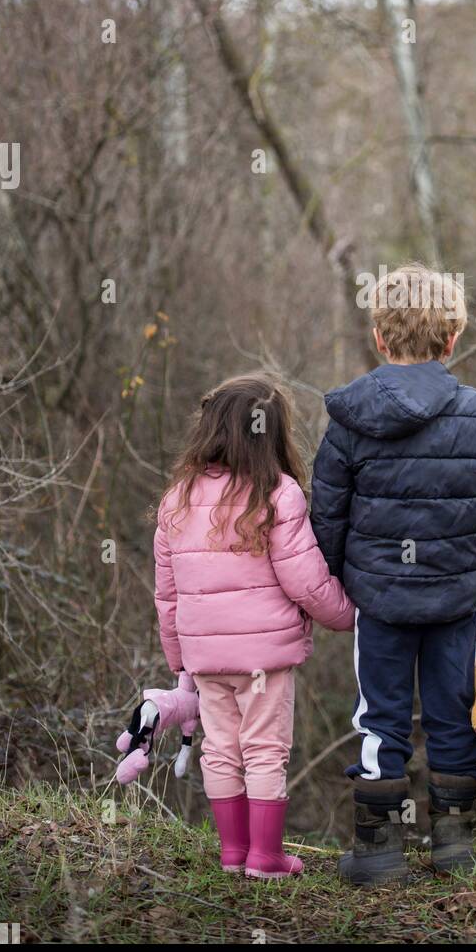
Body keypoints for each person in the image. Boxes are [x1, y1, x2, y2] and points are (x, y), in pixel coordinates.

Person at [312, 263, 476, 884]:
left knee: (378, 714)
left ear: (380, 338)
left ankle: (379, 850)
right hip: (456, 599)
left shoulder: (348, 419)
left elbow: (326, 512)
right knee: (455, 709)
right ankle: (453, 844)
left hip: (378, 600)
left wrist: (327, 580)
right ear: (453, 339)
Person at [153, 373, 354, 878]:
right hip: (264, 660)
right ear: (271, 434)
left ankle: (232, 853)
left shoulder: (176, 500)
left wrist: (180, 660)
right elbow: (305, 582)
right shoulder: (278, 494)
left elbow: (168, 596)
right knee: (264, 749)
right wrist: (348, 615)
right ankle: (265, 857)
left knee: (220, 749)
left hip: (206, 659)